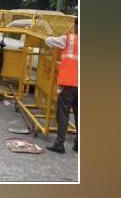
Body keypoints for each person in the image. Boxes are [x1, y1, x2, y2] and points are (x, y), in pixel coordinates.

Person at [44, 17, 78, 153]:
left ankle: (59, 144)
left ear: (75, 25)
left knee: (63, 114)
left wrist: (58, 34)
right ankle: (78, 144)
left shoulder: (68, 39)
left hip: (68, 83)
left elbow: (48, 41)